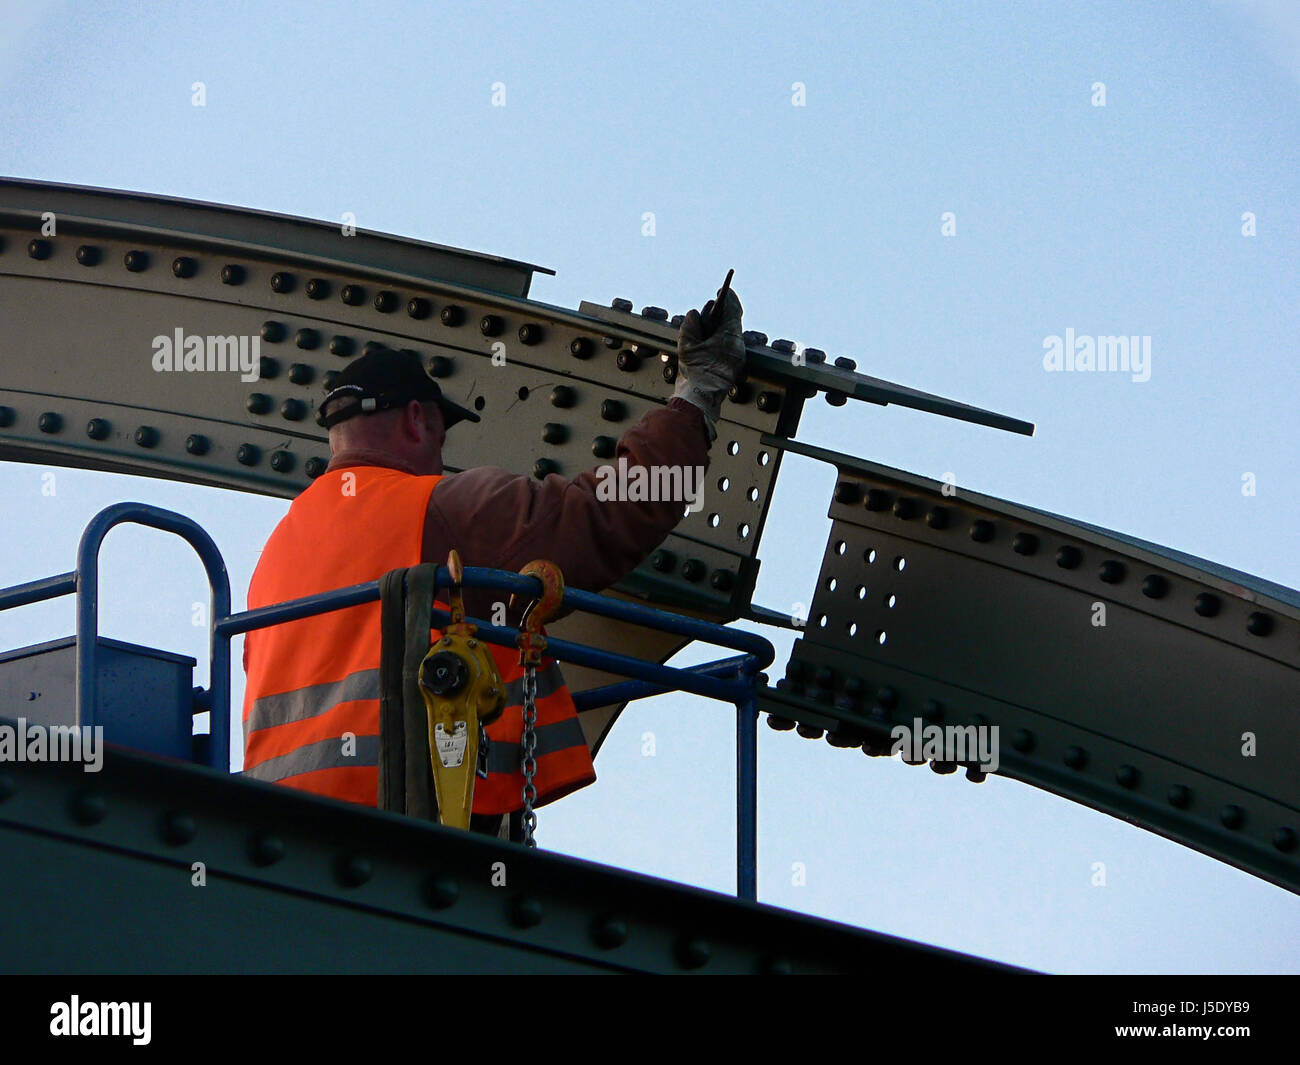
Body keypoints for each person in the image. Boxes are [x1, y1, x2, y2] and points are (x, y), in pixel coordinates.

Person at [241, 286, 746, 839]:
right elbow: (606, 516)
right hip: (410, 819)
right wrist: (696, 399)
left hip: (273, 828)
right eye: (439, 436)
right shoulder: (440, 506)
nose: (440, 459)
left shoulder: (276, 552)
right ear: (417, 420)